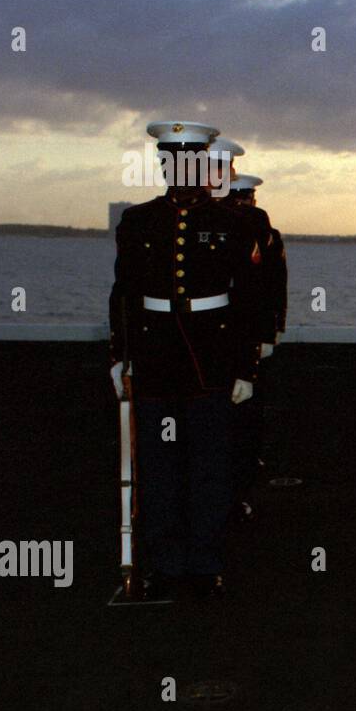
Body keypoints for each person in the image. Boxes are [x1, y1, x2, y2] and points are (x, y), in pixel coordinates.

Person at [108, 121, 266, 600]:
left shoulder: (236, 224)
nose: (184, 170)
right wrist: (121, 355)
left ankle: (205, 564)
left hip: (211, 358)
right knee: (159, 467)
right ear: (163, 165)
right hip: (156, 359)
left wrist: (246, 366)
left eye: (192, 160)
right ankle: (166, 564)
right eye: (174, 160)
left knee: (208, 467)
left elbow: (250, 300)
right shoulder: (138, 222)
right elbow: (124, 295)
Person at [213, 140, 288, 523]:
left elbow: (269, 285)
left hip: (242, 337)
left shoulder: (258, 228)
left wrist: (269, 333)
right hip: (209, 338)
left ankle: (237, 488)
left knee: (243, 418)